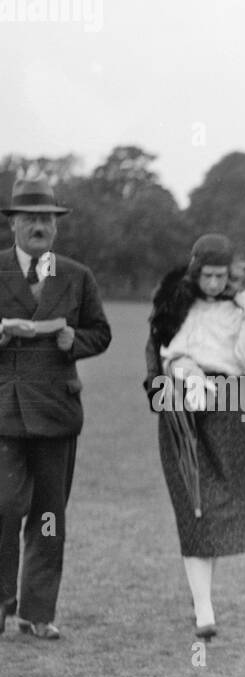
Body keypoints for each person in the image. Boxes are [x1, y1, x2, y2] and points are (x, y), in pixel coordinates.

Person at [0, 176, 112, 640]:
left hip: (57, 414)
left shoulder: (76, 275)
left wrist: (74, 341)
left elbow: (101, 333)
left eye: (47, 219)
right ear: (14, 225)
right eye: (30, 219)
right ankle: (4, 601)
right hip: (5, 412)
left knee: (49, 517)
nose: (40, 226)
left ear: (56, 226)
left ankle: (36, 613)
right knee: (5, 507)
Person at [145, 234, 245, 640]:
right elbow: (166, 352)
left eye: (220, 276)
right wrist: (185, 374)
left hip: (230, 409)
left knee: (218, 504)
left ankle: (204, 602)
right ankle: (203, 609)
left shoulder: (240, 308)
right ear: (196, 272)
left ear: (230, 274)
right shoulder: (176, 306)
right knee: (192, 504)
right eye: (207, 275)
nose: (213, 283)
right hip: (181, 409)